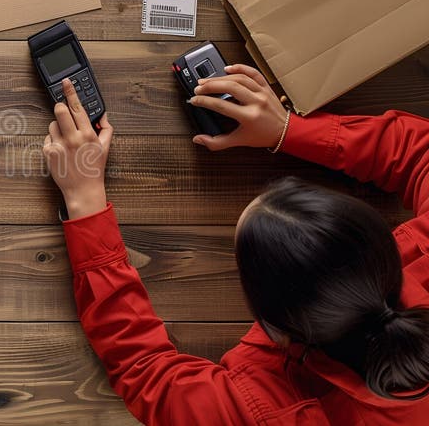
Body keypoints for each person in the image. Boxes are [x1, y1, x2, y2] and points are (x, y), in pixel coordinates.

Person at [42, 64, 429, 425]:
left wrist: (84, 202)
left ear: (276, 332)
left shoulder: (266, 411)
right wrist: (285, 129)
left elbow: (148, 377)